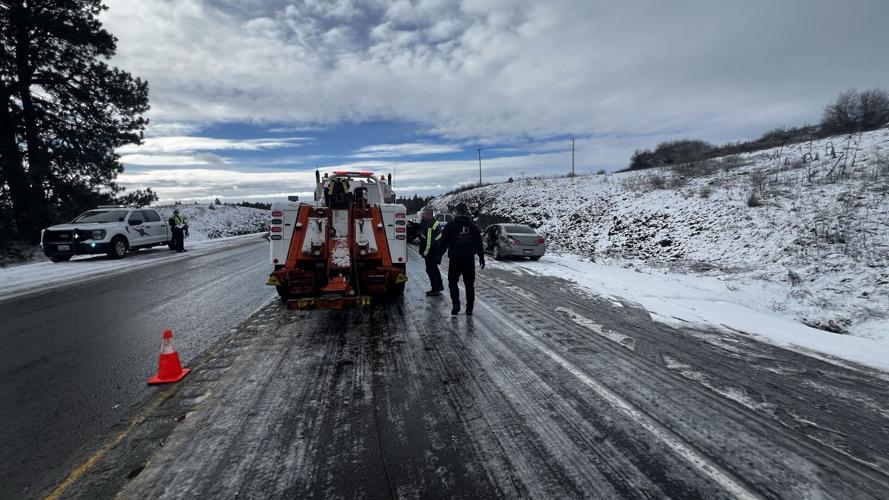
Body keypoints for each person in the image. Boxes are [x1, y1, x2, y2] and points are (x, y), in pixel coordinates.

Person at [439, 202, 485, 315]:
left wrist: (439, 255)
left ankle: (456, 304)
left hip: (455, 258)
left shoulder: (450, 225)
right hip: (469, 259)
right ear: (466, 212)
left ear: (456, 212)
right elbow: (479, 242)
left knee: (452, 282)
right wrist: (481, 257)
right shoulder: (473, 226)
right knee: (469, 284)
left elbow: (443, 242)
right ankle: (469, 308)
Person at [418, 208, 444, 296]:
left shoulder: (430, 226)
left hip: (431, 253)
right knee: (435, 269)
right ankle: (439, 286)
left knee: (430, 270)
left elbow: (429, 242)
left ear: (429, 215)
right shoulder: (434, 223)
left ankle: (435, 289)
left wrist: (425, 253)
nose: (422, 215)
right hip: (435, 251)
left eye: (424, 214)